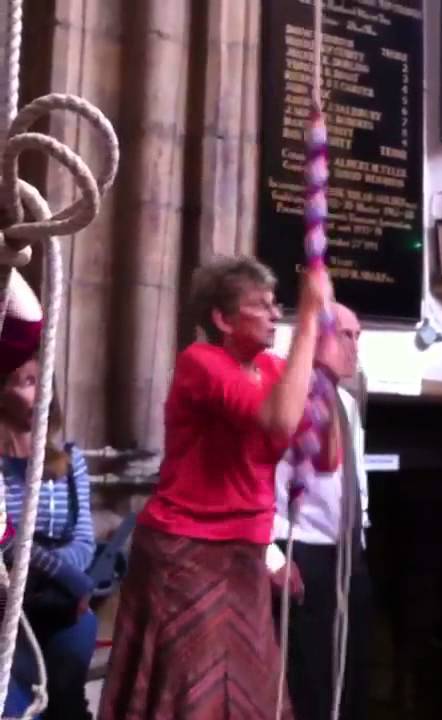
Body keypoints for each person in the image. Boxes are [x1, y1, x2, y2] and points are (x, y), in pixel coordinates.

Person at [98, 256, 331, 720]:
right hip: (185, 552)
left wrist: (328, 366)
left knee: (253, 693)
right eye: (260, 306)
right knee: (190, 691)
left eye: (276, 304)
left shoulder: (269, 368)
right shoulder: (200, 362)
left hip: (243, 553)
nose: (274, 314)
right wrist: (309, 320)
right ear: (223, 319)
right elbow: (278, 418)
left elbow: (327, 457)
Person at [269, 302, 372, 720]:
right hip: (300, 551)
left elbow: (353, 484)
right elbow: (254, 482)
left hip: (346, 555)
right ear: (317, 336)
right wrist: (271, 556)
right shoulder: (284, 394)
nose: (355, 347)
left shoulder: (345, 404)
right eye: (346, 335)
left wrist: (360, 538)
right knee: (307, 680)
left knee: (351, 678)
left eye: (358, 337)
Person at [1, 363, 95, 720]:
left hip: (58, 604)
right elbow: (4, 540)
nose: (41, 391)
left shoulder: (70, 462)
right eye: (26, 381)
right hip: (6, 602)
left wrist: (57, 575)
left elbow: (84, 540)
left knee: (68, 702)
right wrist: (67, 575)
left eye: (43, 380)